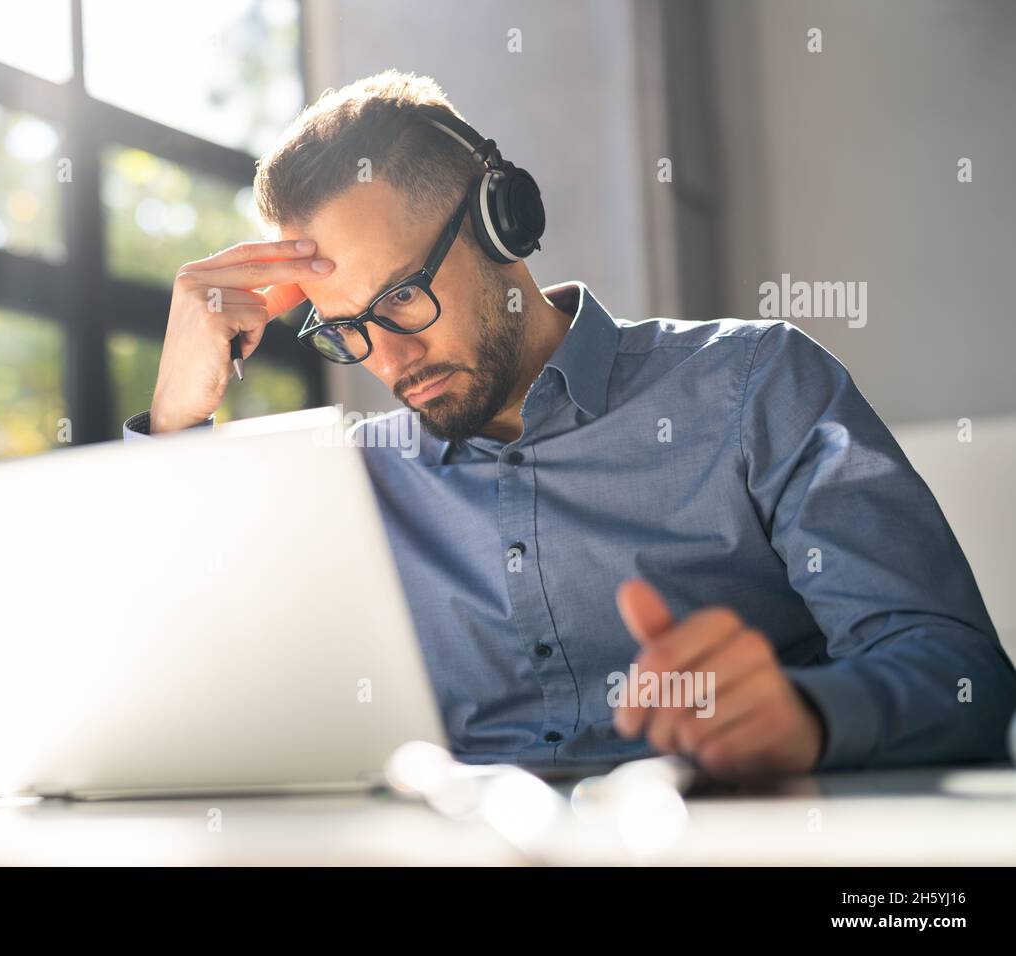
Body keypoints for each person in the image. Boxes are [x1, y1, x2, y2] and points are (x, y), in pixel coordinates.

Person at [127, 70, 1016, 778]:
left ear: (499, 224)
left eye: (401, 297)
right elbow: (170, 691)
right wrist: (176, 418)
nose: (389, 364)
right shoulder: (353, 484)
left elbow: (960, 674)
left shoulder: (754, 385)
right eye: (346, 329)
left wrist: (811, 716)